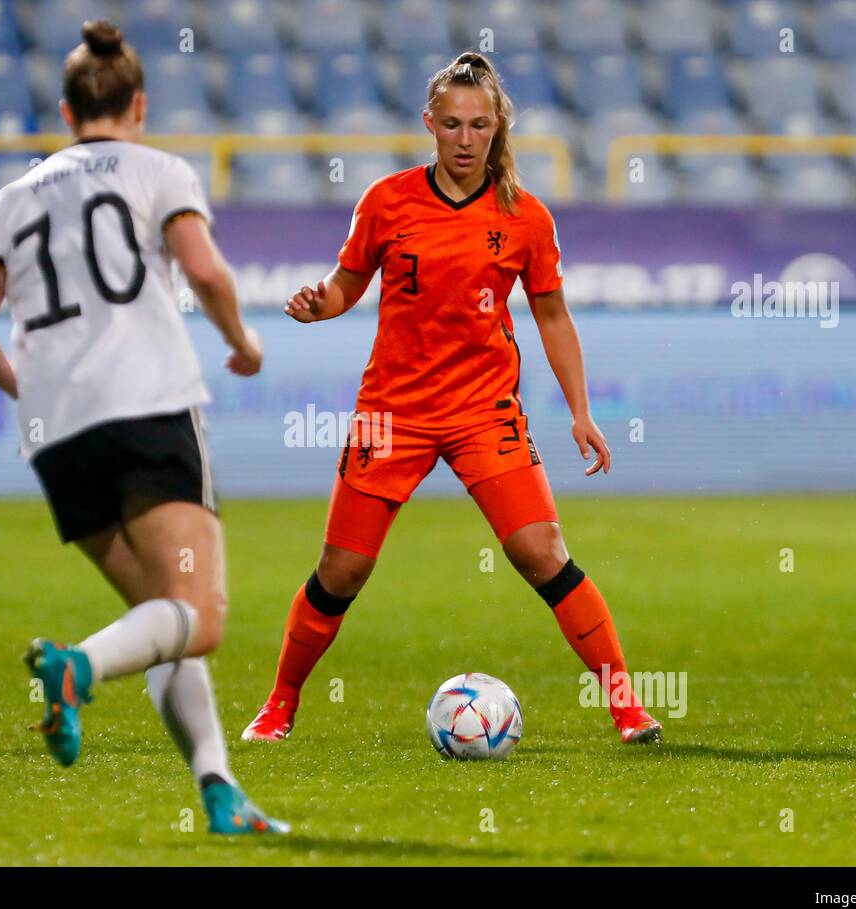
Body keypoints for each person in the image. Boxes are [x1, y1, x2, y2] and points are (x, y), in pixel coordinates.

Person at [241, 51, 663, 747]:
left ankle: (626, 706)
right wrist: (321, 305)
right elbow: (347, 284)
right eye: (453, 125)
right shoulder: (386, 201)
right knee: (343, 568)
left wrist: (581, 412)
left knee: (542, 551)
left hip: (482, 410)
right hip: (391, 411)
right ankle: (279, 703)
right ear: (429, 124)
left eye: (480, 125)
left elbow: (553, 316)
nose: (466, 140)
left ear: (498, 129)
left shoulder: (526, 219)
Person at [0, 20, 287, 835]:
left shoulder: (9, 200)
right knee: (200, 617)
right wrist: (242, 341)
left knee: (165, 623)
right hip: (146, 404)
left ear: (66, 112)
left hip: (59, 432)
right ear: (137, 105)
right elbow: (202, 268)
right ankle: (76, 668)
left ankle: (219, 792)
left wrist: (25, 386)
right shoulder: (157, 169)